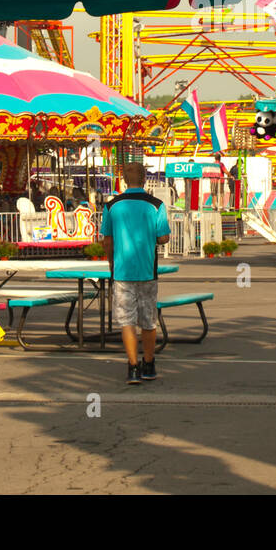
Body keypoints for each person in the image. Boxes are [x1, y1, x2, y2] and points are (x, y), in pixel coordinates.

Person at [101, 163, 171, 384]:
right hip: (147, 271)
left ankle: (132, 366)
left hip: (122, 272)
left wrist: (112, 262)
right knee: (148, 321)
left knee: (127, 321)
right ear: (144, 179)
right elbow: (163, 238)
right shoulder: (156, 205)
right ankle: (148, 363)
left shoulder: (112, 206)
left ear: (123, 179)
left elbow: (107, 240)